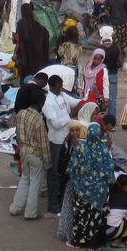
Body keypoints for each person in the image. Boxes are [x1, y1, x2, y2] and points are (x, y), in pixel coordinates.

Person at [43, 75, 82, 217]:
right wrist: (71, 114)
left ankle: (61, 203)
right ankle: (53, 206)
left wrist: (87, 98)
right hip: (56, 142)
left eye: (61, 86)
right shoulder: (48, 103)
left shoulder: (63, 96)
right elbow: (56, 123)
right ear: (52, 87)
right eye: (58, 87)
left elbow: (77, 102)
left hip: (66, 139)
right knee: (54, 174)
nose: (61, 89)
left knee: (64, 174)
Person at [10, 87, 51, 220]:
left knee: (24, 180)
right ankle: (30, 212)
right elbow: (43, 143)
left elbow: (17, 134)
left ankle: (15, 207)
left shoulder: (21, 114)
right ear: (41, 103)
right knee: (35, 184)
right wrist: (48, 162)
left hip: (24, 153)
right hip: (35, 155)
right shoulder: (39, 120)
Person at [15, 3, 50, 81]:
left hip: (26, 54)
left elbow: (19, 40)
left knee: (26, 74)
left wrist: (15, 53)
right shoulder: (36, 24)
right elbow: (45, 32)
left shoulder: (21, 23)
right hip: (37, 56)